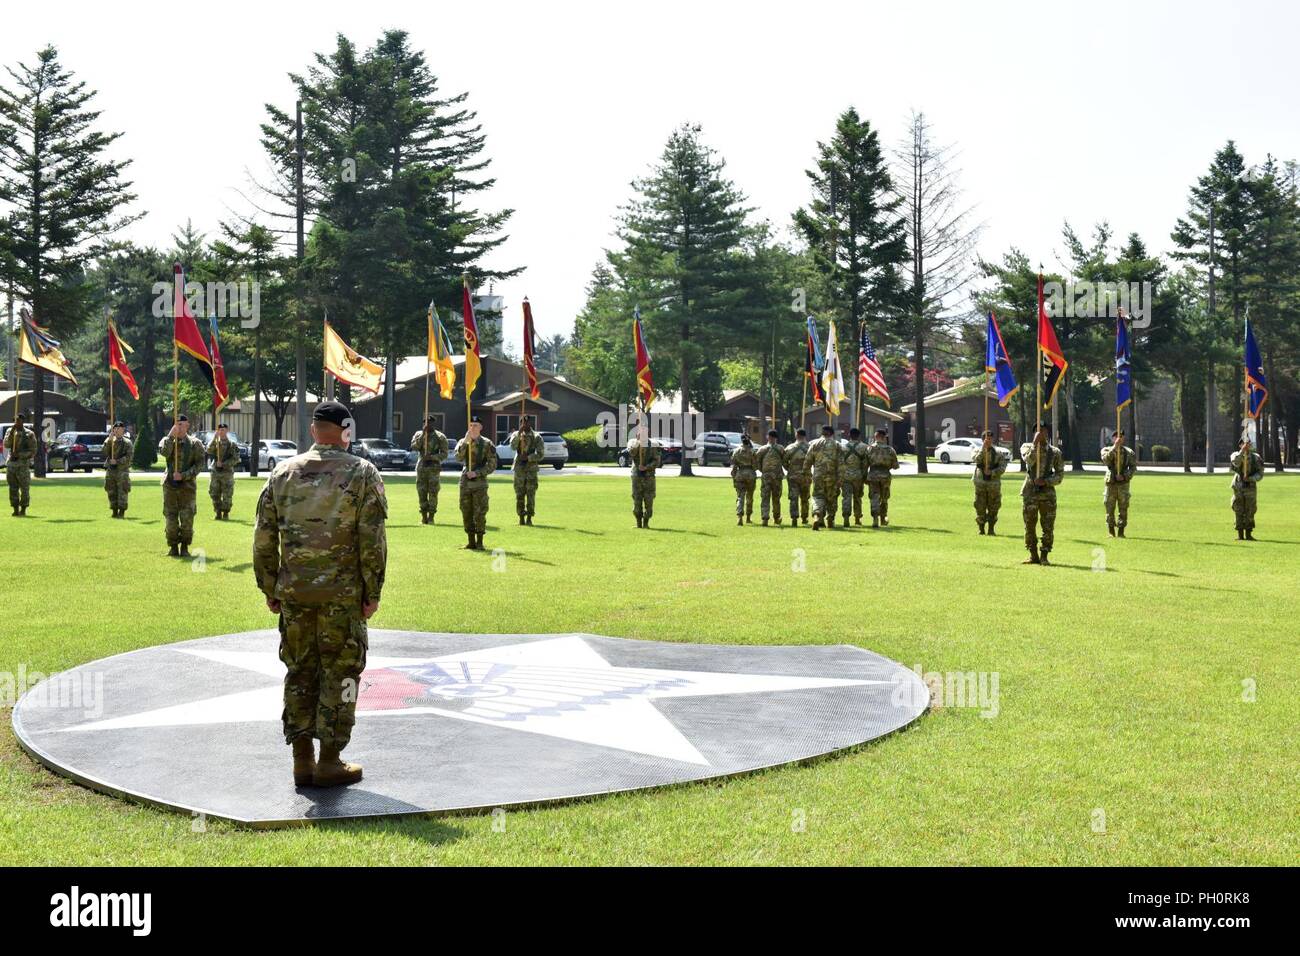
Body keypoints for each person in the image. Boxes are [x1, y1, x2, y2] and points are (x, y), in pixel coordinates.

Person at [253, 400, 387, 788]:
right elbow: (372, 540)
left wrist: (270, 586)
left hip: (295, 594)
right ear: (347, 431)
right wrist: (372, 590)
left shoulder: (282, 473)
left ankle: (301, 759)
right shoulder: (362, 473)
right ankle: (330, 759)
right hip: (342, 597)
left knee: (300, 671)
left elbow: (264, 538)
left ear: (313, 431)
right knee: (341, 674)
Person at [160, 415, 206, 557]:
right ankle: (173, 546)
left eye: (182, 424)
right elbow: (164, 453)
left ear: (188, 426)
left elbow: (200, 465)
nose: (179, 427)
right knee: (170, 519)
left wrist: (184, 475)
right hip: (170, 486)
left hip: (187, 487)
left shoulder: (195, 444)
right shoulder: (167, 441)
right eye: (177, 424)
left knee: (187, 519)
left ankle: (185, 547)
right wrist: (170, 436)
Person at [1020, 424, 1065, 565]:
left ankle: (1044, 555)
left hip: (1047, 495)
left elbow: (1060, 475)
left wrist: (1046, 481)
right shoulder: (1027, 447)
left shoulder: (1055, 452)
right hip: (1030, 494)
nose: (1042, 434)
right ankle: (1033, 555)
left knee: (1048, 526)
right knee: (1029, 525)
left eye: (1044, 431)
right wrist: (1034, 444)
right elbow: (1028, 460)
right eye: (1038, 431)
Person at [454, 416, 498, 550]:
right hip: (465, 482)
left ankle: (480, 541)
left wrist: (477, 473)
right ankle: (470, 541)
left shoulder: (487, 444)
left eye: (475, 425)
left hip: (479, 483)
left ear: (481, 428)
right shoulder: (463, 441)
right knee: (466, 510)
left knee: (479, 512)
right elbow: (457, 458)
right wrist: (464, 443)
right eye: (471, 425)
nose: (472, 428)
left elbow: (492, 464)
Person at [409, 416, 449, 525]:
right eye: (426, 423)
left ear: (433, 424)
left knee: (433, 492)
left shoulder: (440, 437)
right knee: (421, 491)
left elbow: (444, 454)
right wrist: (423, 435)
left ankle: (431, 517)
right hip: (421, 468)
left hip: (433, 469)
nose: (428, 425)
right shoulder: (418, 435)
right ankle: (423, 517)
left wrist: (432, 457)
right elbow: (414, 447)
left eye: (430, 423)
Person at [806, 424, 843, 530]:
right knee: (832, 497)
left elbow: (807, 461)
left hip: (818, 475)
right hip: (832, 476)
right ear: (832, 434)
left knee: (818, 496)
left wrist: (807, 474)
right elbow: (841, 463)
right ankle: (830, 519)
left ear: (822, 433)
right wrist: (840, 478)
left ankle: (817, 516)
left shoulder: (814, 444)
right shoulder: (837, 445)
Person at [1100, 429, 1136, 537]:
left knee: (1123, 507)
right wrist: (1114, 448)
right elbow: (1105, 460)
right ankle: (1111, 531)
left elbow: (1133, 467)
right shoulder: (1106, 450)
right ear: (1113, 438)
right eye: (1116, 437)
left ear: (1123, 438)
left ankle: (1121, 531)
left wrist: (1125, 476)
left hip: (1123, 484)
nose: (1118, 439)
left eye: (1121, 437)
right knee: (1109, 507)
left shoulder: (1129, 452)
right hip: (1111, 483)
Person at [509, 418, 545, 525]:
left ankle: (529, 517)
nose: (524, 424)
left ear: (530, 423)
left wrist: (529, 457)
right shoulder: (516, 434)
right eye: (522, 422)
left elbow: (541, 454)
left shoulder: (536, 437)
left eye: (526, 422)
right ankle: (521, 517)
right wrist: (518, 434)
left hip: (531, 469)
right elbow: (512, 446)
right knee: (519, 493)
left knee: (530, 494)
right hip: (519, 468)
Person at [971, 430, 1007, 535]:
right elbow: (976, 460)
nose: (989, 441)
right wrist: (983, 449)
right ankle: (981, 528)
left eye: (990, 439)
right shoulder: (976, 450)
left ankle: (991, 528)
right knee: (980, 506)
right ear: (982, 440)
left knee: (993, 507)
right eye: (987, 439)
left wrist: (992, 472)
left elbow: (1003, 468)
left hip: (993, 485)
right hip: (980, 484)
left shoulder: (998, 453)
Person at [627, 423, 662, 528]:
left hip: (649, 477)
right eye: (640, 432)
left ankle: (646, 523)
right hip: (637, 477)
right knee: (637, 500)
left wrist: (646, 467)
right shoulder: (632, 443)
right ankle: (638, 523)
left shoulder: (653, 445)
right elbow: (632, 452)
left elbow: (657, 461)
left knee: (649, 500)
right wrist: (638, 442)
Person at [1229, 438, 1264, 541]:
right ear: (1240, 445)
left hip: (1250, 487)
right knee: (1238, 509)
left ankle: (1249, 534)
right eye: (1243, 444)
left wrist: (1250, 478)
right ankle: (1240, 535)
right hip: (1239, 486)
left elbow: (1260, 473)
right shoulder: (1235, 455)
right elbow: (1236, 463)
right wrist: (1241, 452)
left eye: (1248, 444)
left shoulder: (1256, 458)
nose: (1246, 446)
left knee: (1250, 509)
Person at [865, 427, 900, 528]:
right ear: (884, 438)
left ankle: (875, 518)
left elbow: (865, 464)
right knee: (884, 498)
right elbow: (895, 466)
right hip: (885, 476)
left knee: (874, 497)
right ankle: (883, 518)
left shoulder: (869, 448)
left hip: (873, 476)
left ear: (875, 437)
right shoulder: (890, 450)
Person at [4, 413, 38, 517]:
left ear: (23, 421)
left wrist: (20, 455)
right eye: (15, 420)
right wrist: (11, 434)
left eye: (18, 420)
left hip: (22, 466)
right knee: (13, 488)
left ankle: (23, 509)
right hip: (11, 465)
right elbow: (6, 444)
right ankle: (15, 509)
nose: (16, 422)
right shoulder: (10, 431)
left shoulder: (29, 434)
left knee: (24, 488)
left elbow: (33, 451)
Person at [754, 429, 785, 526]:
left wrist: (762, 470)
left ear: (768, 437)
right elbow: (784, 461)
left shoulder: (762, 449)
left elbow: (756, 462)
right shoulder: (780, 448)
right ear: (776, 438)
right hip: (777, 476)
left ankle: (765, 518)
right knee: (776, 498)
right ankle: (776, 518)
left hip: (766, 476)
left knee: (765, 497)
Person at [207, 423, 238, 520]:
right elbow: (208, 450)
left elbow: (236, 459)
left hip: (227, 473)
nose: (221, 431)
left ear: (227, 430)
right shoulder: (215, 443)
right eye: (219, 430)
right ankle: (217, 511)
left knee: (227, 494)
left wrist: (224, 464)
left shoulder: (232, 445)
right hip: (215, 472)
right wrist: (214, 438)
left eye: (223, 430)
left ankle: (225, 512)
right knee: (214, 493)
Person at [839, 427, 869, 526]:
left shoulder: (843, 447)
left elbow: (840, 463)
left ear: (849, 435)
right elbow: (865, 464)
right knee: (857, 498)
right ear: (859, 436)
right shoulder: (864, 447)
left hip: (846, 476)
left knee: (846, 497)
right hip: (858, 476)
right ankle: (857, 518)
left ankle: (846, 517)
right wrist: (865, 477)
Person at [103, 421, 133, 518]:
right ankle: (114, 510)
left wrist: (117, 461)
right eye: (115, 429)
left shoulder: (127, 443)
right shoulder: (109, 440)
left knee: (122, 491)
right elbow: (103, 452)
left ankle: (122, 511)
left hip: (122, 471)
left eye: (119, 429)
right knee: (111, 490)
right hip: (111, 471)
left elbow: (129, 457)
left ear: (123, 430)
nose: (117, 430)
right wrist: (109, 441)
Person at [782, 428, 811, 525]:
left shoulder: (790, 447)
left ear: (796, 435)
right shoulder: (810, 447)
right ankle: (804, 518)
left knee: (793, 498)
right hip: (806, 476)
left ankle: (794, 518)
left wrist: (790, 469)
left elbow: (784, 461)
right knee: (805, 498)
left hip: (793, 476)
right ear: (805, 436)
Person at [730, 434, 758, 525]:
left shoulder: (736, 451)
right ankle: (748, 517)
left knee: (740, 497)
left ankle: (739, 517)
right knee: (749, 497)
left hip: (740, 474)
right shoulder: (752, 451)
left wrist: (734, 477)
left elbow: (734, 466)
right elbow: (755, 466)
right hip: (750, 474)